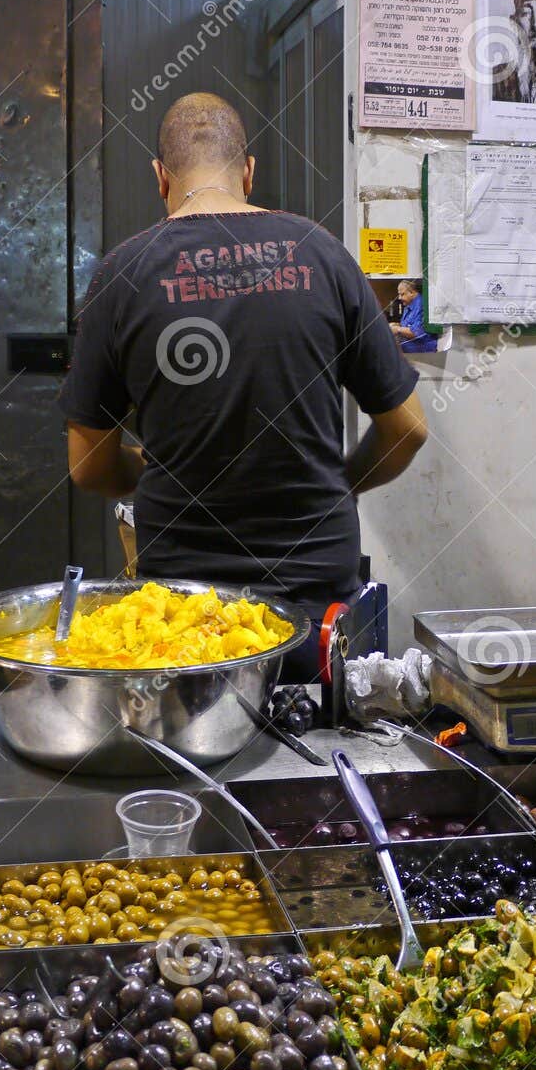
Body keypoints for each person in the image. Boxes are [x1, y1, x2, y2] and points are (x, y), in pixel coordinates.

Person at [60, 92, 428, 681]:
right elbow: (407, 431)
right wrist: (340, 482)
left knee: (198, 736)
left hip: (185, 621)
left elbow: (88, 466)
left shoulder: (121, 275)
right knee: (321, 730)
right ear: (249, 172)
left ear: (161, 177)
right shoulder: (322, 254)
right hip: (317, 613)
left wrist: (153, 467)